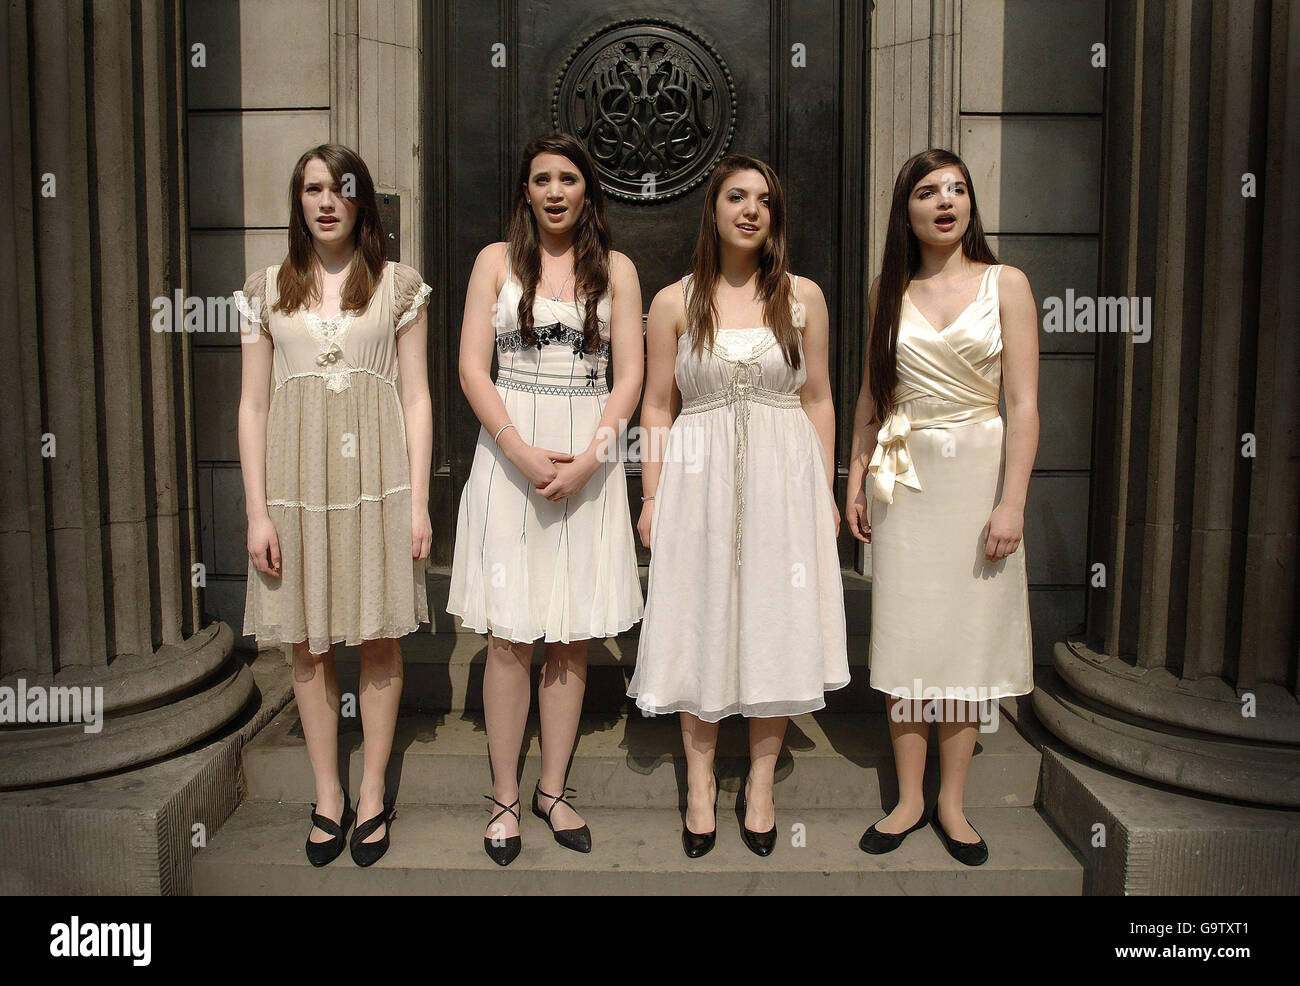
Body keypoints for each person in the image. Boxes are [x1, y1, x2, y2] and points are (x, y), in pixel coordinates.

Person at [628, 154, 850, 859]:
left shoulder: (804, 298)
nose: (750, 209)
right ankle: (698, 784)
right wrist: (652, 495)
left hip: (787, 488)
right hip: (696, 483)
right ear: (714, 210)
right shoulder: (672, 302)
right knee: (698, 620)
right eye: (735, 196)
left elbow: (818, 399)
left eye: (763, 199)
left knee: (776, 623)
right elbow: (657, 405)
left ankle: (760, 782)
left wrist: (824, 492)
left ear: (775, 216)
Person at [447, 133, 645, 866]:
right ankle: (504, 795)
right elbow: (472, 368)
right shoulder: (493, 263)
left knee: (570, 634)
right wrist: (521, 450)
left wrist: (594, 461)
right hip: (510, 457)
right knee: (509, 636)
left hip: (587, 463)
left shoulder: (617, 270)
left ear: (588, 190)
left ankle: (553, 790)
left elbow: (629, 378)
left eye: (568, 179)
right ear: (525, 191)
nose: (555, 191)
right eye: (541, 179)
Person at [237, 143, 433, 868]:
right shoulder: (264, 290)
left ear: (361, 202)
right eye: (312, 189)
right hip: (295, 487)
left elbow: (416, 396)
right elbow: (252, 404)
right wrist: (257, 511)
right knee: (308, 643)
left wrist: (417, 501)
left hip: (375, 482)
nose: (325, 202)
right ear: (298, 201)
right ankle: (328, 795)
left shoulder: (398, 286)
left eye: (339, 189)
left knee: (379, 636)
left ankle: (374, 790)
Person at [845, 148, 1039, 866]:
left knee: (964, 645)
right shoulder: (885, 289)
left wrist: (1011, 502)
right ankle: (908, 799)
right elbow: (872, 393)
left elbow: (1023, 405)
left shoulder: (1006, 284)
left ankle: (953, 804)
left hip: (979, 480)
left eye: (957, 189)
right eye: (928, 192)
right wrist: (855, 477)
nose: (946, 202)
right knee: (906, 639)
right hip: (907, 482)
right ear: (908, 209)